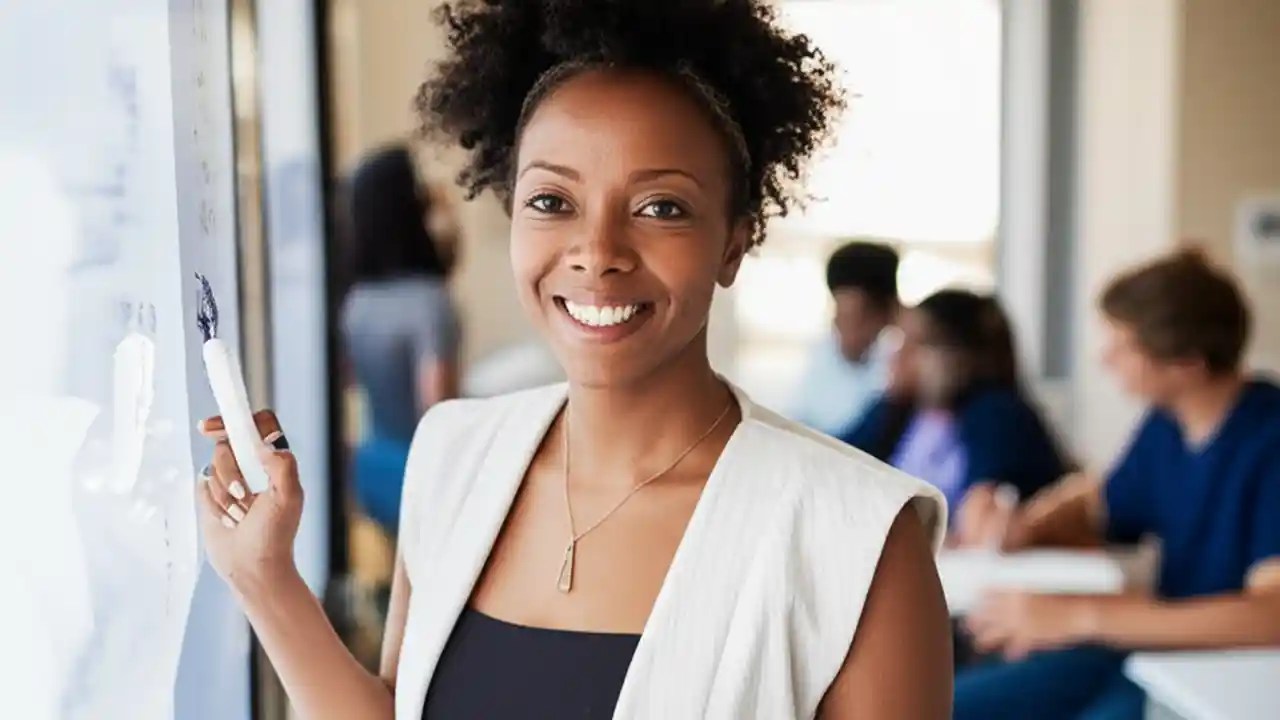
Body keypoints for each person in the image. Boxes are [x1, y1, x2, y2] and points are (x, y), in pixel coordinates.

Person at [193, 1, 953, 718]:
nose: (597, 254)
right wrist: (263, 576)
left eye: (661, 207)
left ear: (733, 242)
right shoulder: (455, 455)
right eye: (552, 201)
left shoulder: (858, 540)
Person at [954, 250, 1280, 719]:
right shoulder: (1167, 427)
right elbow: (1099, 503)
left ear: (1186, 363)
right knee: (949, 701)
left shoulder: (1268, 442)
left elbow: (1269, 617)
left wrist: (1079, 616)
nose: (1106, 358)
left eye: (1123, 345)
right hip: (1145, 645)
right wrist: (1025, 524)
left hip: (1214, 674)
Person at [841, 289, 1069, 539]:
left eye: (916, 343)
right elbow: (833, 462)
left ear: (959, 355)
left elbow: (982, 516)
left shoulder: (997, 413)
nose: (897, 354)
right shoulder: (895, 411)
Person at [339, 145, 461, 532]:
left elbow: (350, 379)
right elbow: (436, 407)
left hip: (369, 466)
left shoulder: (355, 303)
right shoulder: (430, 302)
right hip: (419, 473)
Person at [790, 241, 900, 437]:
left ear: (886, 316)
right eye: (841, 317)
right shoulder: (822, 353)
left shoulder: (898, 360)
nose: (845, 331)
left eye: (857, 319)